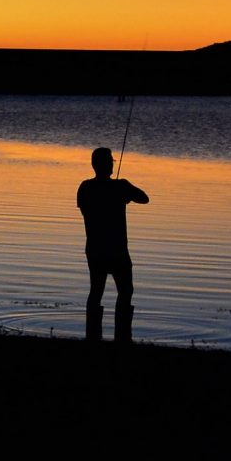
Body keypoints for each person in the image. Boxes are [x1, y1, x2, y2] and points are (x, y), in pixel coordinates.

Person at [76, 147, 149, 344]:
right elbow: (143, 198)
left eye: (111, 161)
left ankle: (93, 336)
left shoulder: (85, 188)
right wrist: (122, 189)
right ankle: (122, 336)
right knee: (124, 291)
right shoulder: (119, 187)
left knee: (97, 292)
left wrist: (120, 189)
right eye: (109, 161)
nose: (111, 164)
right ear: (100, 165)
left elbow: (144, 199)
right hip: (116, 251)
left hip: (96, 250)